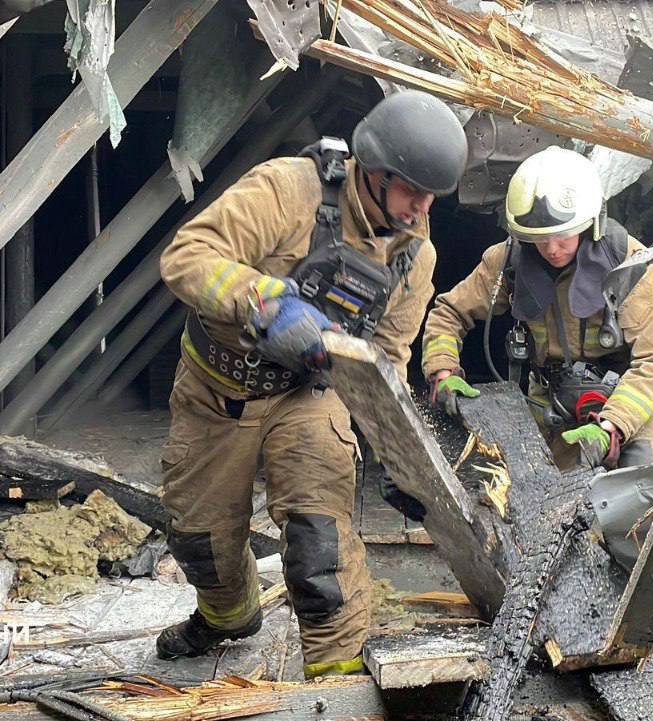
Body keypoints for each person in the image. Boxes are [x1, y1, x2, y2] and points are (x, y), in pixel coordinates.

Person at [155, 91, 468, 678]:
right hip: (216, 390)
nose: (420, 208)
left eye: (432, 196)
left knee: (318, 544)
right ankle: (227, 616)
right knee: (202, 542)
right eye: (410, 190)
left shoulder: (415, 256)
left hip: (310, 396)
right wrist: (266, 302)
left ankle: (339, 677)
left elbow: (389, 358)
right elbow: (187, 255)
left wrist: (401, 458)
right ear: (372, 171)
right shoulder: (287, 190)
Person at [421, 146, 653, 471]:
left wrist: (612, 426)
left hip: (631, 402)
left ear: (591, 223)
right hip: (550, 401)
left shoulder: (632, 266)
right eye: (539, 239)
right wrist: (443, 371)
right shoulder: (508, 262)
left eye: (562, 236)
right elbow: (449, 313)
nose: (552, 249)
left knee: (642, 485)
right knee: (529, 494)